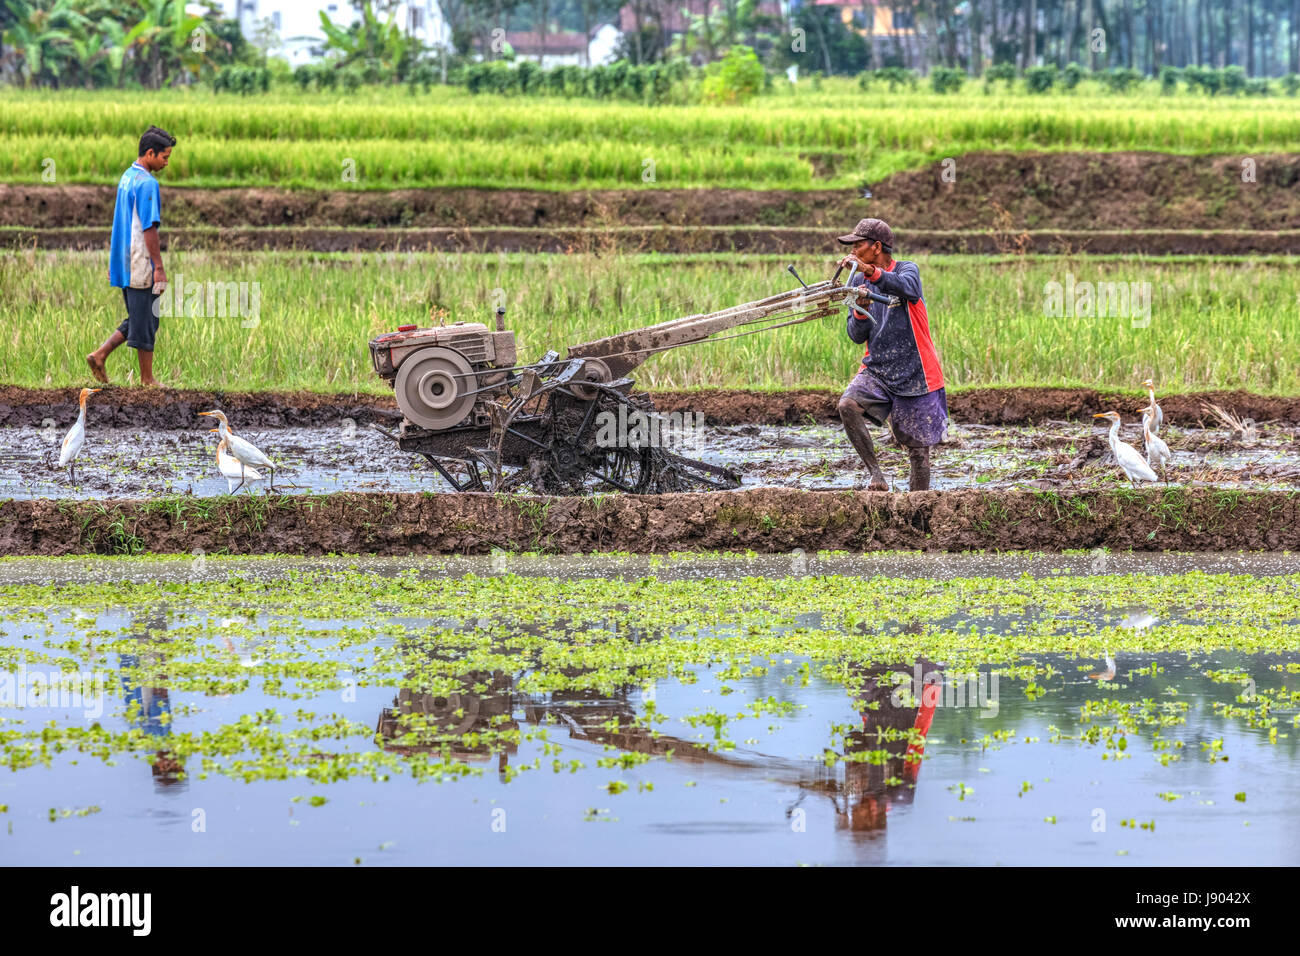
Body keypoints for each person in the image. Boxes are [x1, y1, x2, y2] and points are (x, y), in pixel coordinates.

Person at [835, 218, 947, 491]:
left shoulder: (907, 270)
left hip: (915, 372)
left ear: (876, 247)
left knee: (917, 451)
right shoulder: (858, 281)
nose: (853, 251)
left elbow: (908, 289)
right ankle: (877, 476)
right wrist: (861, 310)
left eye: (858, 245)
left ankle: (917, 508)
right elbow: (856, 334)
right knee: (847, 406)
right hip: (879, 369)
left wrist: (871, 273)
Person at [87, 125, 177, 387]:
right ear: (150, 153)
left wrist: (114, 262)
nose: (166, 163)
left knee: (143, 316)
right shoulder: (148, 184)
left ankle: (100, 355)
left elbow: (120, 222)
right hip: (139, 262)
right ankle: (147, 380)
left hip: (124, 261)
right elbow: (148, 227)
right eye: (164, 157)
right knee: (146, 319)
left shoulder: (127, 176)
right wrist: (158, 267)